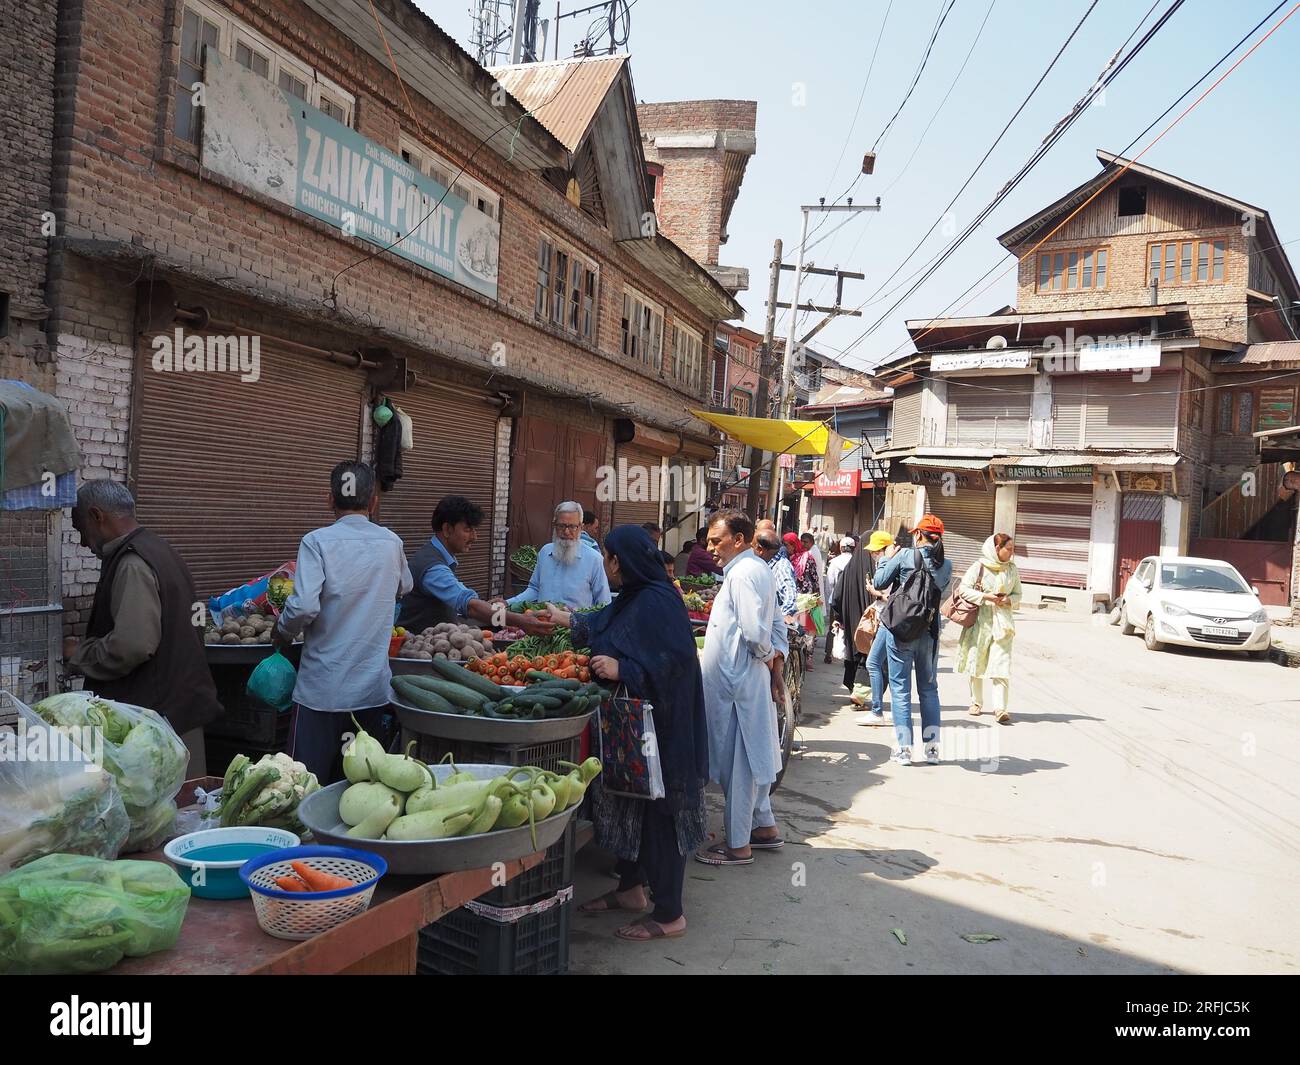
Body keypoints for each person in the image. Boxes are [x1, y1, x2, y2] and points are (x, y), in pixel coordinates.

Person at [564, 527, 709, 941]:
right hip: (635, 725)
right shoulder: (635, 596)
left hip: (663, 727)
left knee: (662, 811)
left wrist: (623, 669)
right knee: (633, 803)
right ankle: (631, 889)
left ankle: (670, 913)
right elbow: (608, 625)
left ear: (622, 561)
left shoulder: (659, 601)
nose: (606, 564)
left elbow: (676, 665)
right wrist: (563, 621)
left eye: (610, 557)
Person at [65, 480, 221, 775]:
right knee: (188, 808)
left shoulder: (132, 562)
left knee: (161, 810)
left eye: (80, 528)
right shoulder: (160, 548)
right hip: (179, 711)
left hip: (154, 722)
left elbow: (133, 645)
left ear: (97, 516)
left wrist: (80, 653)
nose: (83, 542)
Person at [272, 462, 413, 784]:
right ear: (374, 501)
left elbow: (304, 606)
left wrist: (281, 632)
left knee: (305, 785)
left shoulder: (317, 541)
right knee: (362, 788)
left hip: (322, 693)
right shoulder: (391, 542)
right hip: (371, 692)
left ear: (329, 500)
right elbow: (405, 586)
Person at [695, 510, 783, 866]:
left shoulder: (745, 573)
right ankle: (763, 827)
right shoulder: (753, 569)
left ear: (740, 540)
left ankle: (737, 846)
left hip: (737, 683)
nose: (709, 547)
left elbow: (753, 631)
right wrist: (772, 657)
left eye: (717, 540)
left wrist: (766, 655)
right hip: (741, 680)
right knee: (752, 755)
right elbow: (775, 625)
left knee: (741, 764)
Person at [397, 495, 553, 636]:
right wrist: (519, 620)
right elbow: (471, 607)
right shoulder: (433, 568)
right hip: (418, 651)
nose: (474, 537)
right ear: (447, 529)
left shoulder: (436, 557)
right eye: (468, 530)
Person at [868, 515, 953, 766]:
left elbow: (879, 582)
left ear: (917, 535)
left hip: (902, 631)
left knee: (900, 690)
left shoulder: (905, 556)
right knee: (929, 690)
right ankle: (932, 750)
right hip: (929, 632)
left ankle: (904, 749)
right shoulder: (946, 564)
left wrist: (886, 558)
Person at [954, 534, 1022, 725]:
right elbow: (963, 589)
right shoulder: (979, 566)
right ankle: (976, 702)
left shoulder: (1012, 569)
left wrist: (1008, 600)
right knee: (977, 663)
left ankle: (1000, 708)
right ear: (996, 548)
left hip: (1003, 625)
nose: (1011, 552)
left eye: (1012, 548)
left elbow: (1018, 593)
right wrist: (986, 597)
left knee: (1001, 665)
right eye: (1008, 548)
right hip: (980, 623)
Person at [506, 501, 611, 610]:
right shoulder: (545, 552)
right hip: (542, 623)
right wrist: (507, 603)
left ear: (580, 527)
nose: (566, 532)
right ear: (554, 525)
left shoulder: (594, 559)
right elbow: (534, 589)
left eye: (572, 526)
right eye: (561, 526)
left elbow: (604, 604)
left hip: (575, 625)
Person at [833, 530, 890, 710]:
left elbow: (837, 597)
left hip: (851, 623)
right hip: (871, 623)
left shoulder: (850, 568)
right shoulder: (879, 570)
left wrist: (839, 618)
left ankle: (854, 689)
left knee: (854, 653)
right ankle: (860, 694)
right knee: (869, 654)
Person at [823, 536, 854, 663]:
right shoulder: (856, 562)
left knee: (833, 626)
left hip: (836, 600)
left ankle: (828, 654)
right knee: (849, 627)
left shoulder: (835, 562)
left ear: (841, 548)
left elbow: (830, 583)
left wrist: (830, 600)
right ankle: (848, 655)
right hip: (851, 601)